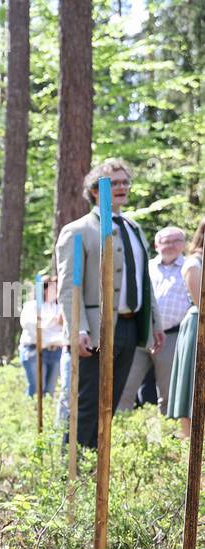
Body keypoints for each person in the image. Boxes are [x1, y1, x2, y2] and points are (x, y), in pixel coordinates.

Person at [55, 159, 165, 449]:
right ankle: (73, 472)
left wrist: (155, 323)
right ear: (95, 190)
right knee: (88, 403)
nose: (121, 187)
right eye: (113, 182)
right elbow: (69, 287)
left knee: (111, 404)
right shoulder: (78, 230)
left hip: (130, 328)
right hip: (95, 331)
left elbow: (144, 280)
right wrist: (77, 329)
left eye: (125, 182)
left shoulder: (134, 228)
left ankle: (97, 469)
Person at [119, 226, 194, 414]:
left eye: (176, 241)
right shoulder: (146, 267)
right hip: (141, 334)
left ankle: (171, 435)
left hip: (172, 337)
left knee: (170, 391)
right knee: (124, 386)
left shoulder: (190, 268)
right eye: (165, 241)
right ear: (156, 245)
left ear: (183, 244)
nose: (170, 245)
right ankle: (119, 432)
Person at [166, 219, 204, 439]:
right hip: (199, 325)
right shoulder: (194, 264)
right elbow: (201, 302)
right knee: (192, 384)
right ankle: (188, 438)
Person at [19, 274, 65, 397]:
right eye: (53, 288)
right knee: (37, 391)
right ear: (44, 290)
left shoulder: (58, 308)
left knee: (49, 391)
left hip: (55, 352)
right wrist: (52, 322)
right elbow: (32, 327)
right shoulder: (31, 306)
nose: (56, 291)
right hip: (34, 351)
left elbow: (62, 331)